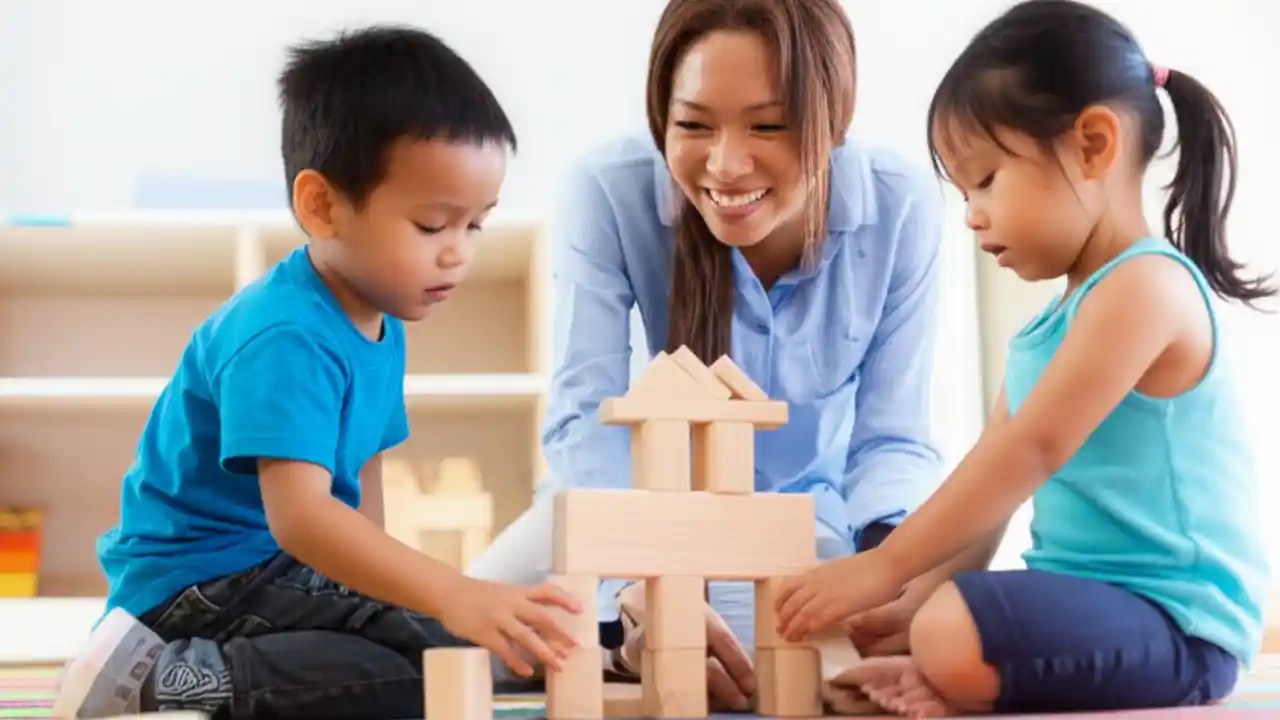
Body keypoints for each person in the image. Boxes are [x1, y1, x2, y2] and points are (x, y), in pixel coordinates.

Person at [52, 26, 582, 719]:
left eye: (475, 226)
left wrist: (412, 603)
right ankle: (162, 676)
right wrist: (450, 593)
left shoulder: (379, 321)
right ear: (322, 206)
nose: (457, 254)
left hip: (272, 574)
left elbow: (364, 498)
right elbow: (303, 517)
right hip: (199, 589)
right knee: (436, 670)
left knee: (448, 653)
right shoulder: (285, 332)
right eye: (432, 226)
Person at [465, 0, 977, 710]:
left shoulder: (902, 205)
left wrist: (892, 574)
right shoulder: (608, 189)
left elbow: (891, 439)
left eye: (769, 125)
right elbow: (586, 417)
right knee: (452, 643)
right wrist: (638, 585)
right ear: (660, 116)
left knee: (835, 664)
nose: (727, 164)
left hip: (804, 527)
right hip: (624, 514)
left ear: (835, 114)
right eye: (694, 125)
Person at [774, 0, 1274, 716]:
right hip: (1093, 602)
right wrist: (910, 602)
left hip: (1179, 627)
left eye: (985, 181)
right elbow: (996, 485)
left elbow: (1029, 451)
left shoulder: (1146, 287)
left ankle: (952, 676)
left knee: (948, 626)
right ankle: (947, 672)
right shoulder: (1050, 328)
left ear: (1093, 146)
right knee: (933, 619)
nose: (972, 213)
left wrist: (886, 566)